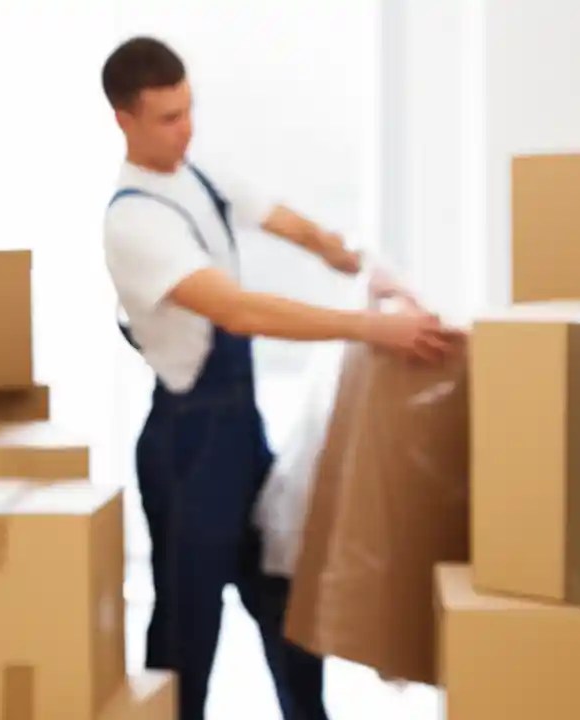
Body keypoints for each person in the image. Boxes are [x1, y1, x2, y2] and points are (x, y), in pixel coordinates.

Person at [100, 37, 453, 720]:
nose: (186, 128)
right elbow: (239, 311)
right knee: (186, 628)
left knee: (282, 598)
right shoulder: (133, 221)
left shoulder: (197, 177)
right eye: (168, 117)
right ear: (125, 119)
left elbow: (290, 223)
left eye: (189, 109)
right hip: (187, 450)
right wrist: (371, 330)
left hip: (241, 439)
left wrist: (361, 266)